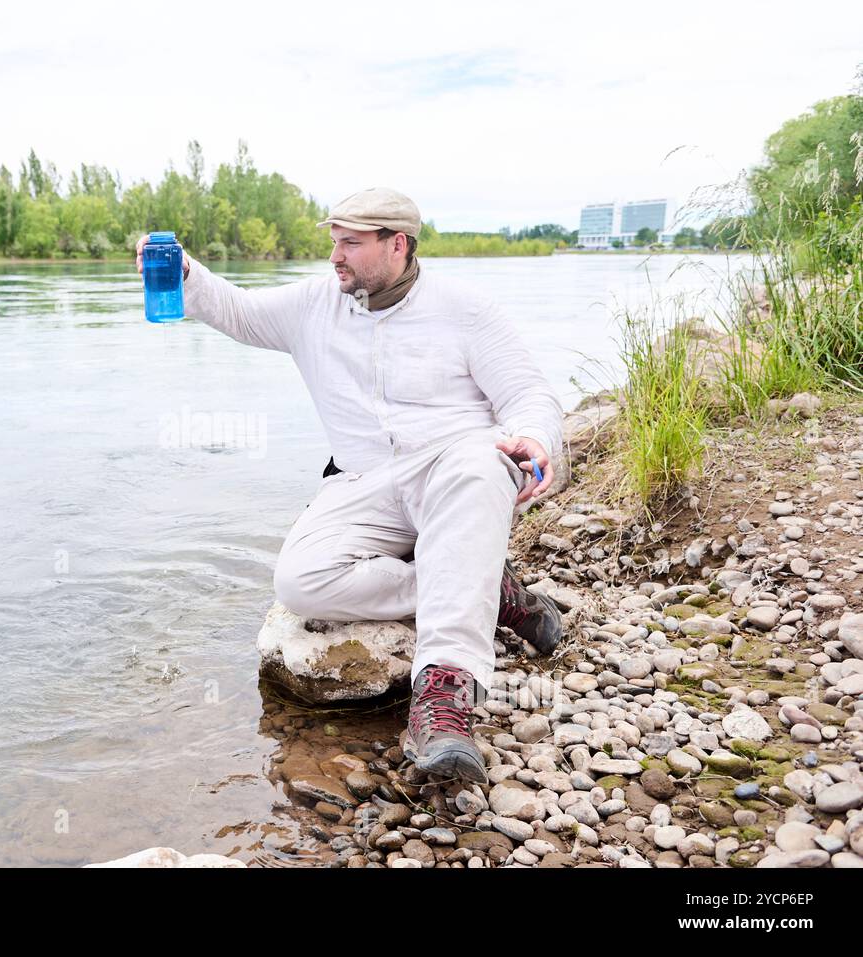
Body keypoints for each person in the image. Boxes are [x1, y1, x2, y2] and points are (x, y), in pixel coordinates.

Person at [134, 187, 565, 785]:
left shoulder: (466, 308)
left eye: (351, 244)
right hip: (362, 480)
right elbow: (237, 313)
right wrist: (184, 271)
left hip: (455, 471)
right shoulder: (316, 304)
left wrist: (536, 438)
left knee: (480, 461)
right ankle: (481, 582)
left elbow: (528, 396)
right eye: (334, 242)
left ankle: (443, 705)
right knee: (300, 581)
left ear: (398, 244)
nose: (336, 256)